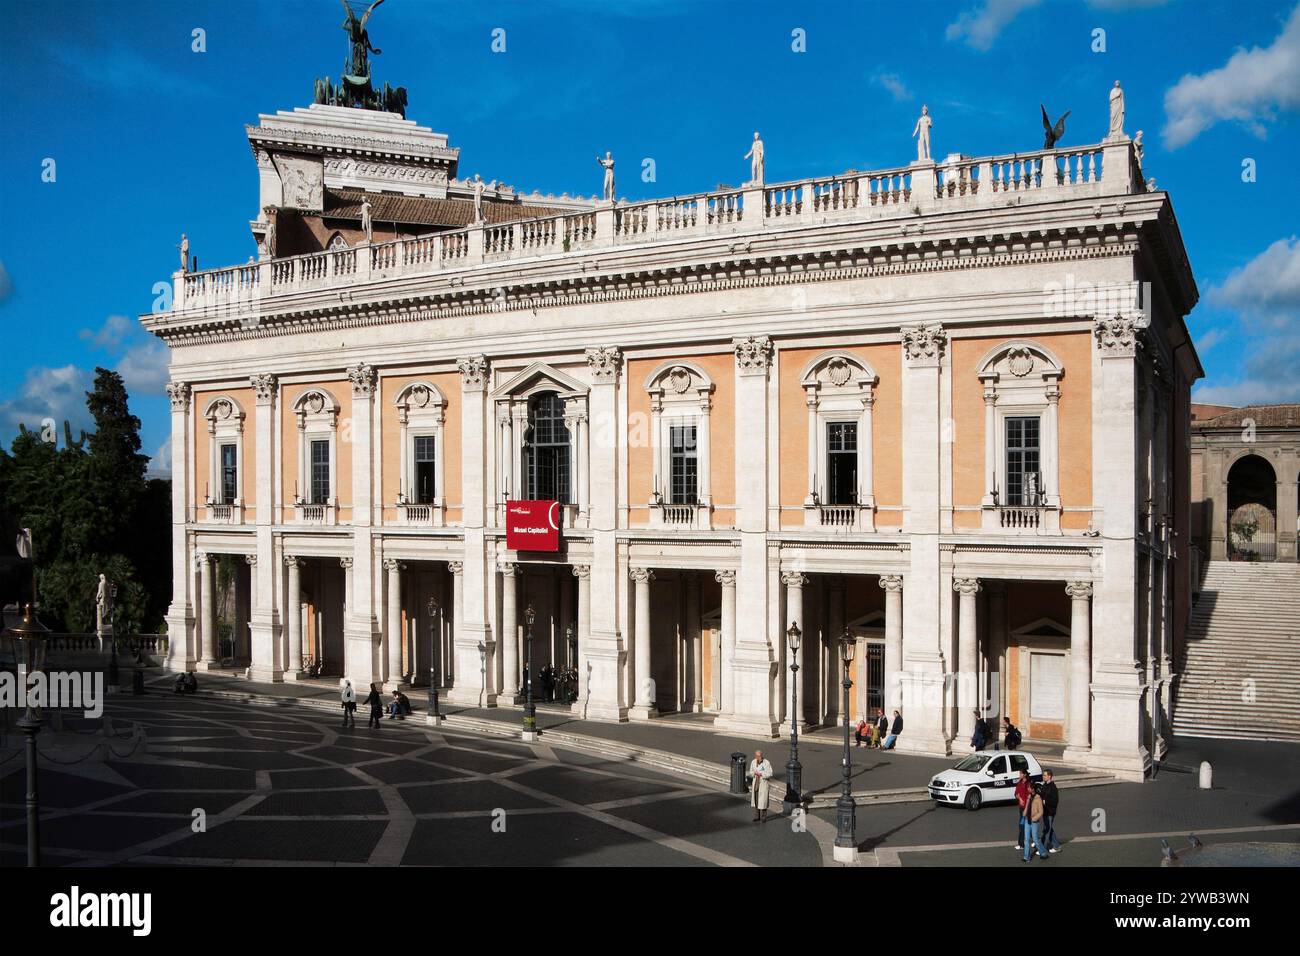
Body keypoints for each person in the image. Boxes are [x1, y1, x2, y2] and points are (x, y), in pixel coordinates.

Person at [1023, 782, 1047, 862]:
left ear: (1033, 789)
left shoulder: (1038, 798)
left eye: (1029, 788)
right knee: (1026, 839)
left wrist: (1034, 819)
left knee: (1035, 839)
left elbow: (1041, 812)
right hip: (1027, 820)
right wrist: (1025, 812)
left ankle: (1043, 853)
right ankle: (1026, 857)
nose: (1028, 789)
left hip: (1034, 822)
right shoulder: (1029, 796)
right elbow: (1027, 807)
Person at [1040, 768, 1062, 854]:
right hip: (1045, 811)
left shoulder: (1053, 787)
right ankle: (1056, 846)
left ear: (1050, 776)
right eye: (1043, 775)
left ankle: (1042, 847)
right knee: (1048, 828)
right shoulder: (1044, 785)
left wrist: (1045, 801)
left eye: (1045, 775)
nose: (1043, 776)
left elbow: (1055, 801)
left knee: (1047, 829)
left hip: (1050, 812)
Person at [748, 749, 773, 823]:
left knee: (763, 801)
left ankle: (763, 817)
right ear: (755, 756)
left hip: (763, 783)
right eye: (758, 756)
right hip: (756, 783)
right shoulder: (753, 762)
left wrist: (762, 774)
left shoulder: (767, 763)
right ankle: (757, 816)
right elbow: (750, 772)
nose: (759, 757)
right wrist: (754, 773)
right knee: (756, 800)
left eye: (760, 756)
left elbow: (770, 773)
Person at [1013, 769, 1031, 849]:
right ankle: (1021, 844)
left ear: (1024, 775)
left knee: (1028, 825)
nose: (1019, 775)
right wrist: (1019, 798)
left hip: (1027, 808)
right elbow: (1016, 793)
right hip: (1021, 807)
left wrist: (1025, 803)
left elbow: (1029, 796)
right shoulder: (1020, 782)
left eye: (1020, 773)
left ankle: (1033, 840)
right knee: (1021, 825)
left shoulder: (1028, 784)